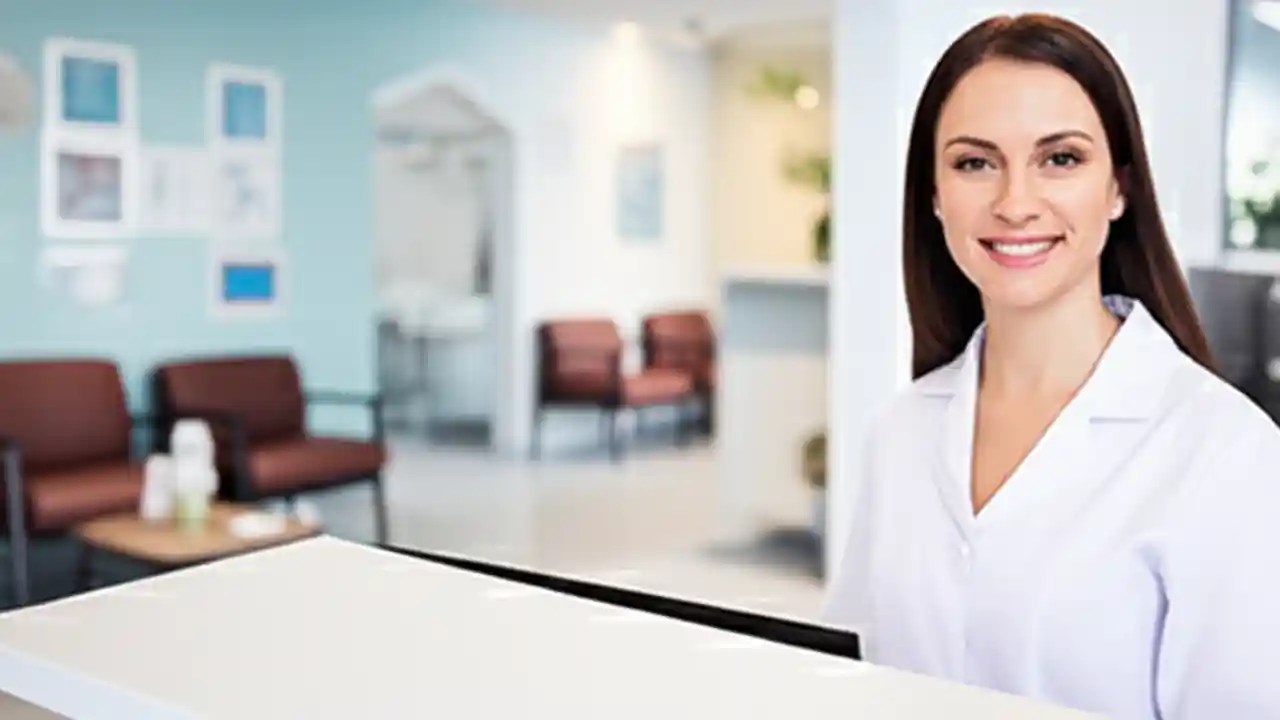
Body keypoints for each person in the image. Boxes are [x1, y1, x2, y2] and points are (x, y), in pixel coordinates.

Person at [822, 13, 1280, 720]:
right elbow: (852, 680)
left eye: (1059, 159)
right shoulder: (903, 430)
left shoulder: (1224, 453)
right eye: (975, 162)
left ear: (1119, 187)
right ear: (935, 195)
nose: (1015, 203)